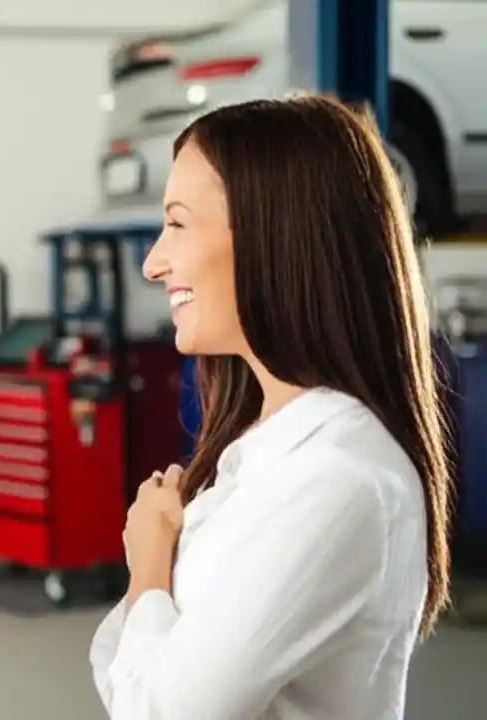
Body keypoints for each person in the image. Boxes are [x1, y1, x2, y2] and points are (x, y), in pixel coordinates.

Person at [89, 94, 453, 719]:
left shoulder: (337, 479)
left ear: (272, 233)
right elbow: (120, 666)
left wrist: (149, 564)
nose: (154, 262)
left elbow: (158, 709)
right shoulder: (270, 450)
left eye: (177, 223)